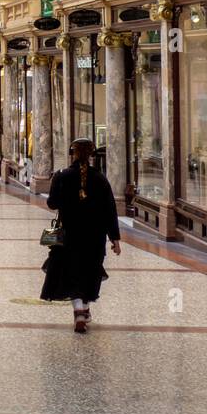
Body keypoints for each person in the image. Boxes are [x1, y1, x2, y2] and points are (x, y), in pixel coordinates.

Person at [41, 138, 121, 333]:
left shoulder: (61, 176)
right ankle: (84, 309)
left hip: (69, 235)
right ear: (92, 155)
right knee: (89, 271)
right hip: (95, 236)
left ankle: (79, 310)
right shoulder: (100, 179)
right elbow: (110, 210)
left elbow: (52, 203)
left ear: (72, 154)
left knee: (71, 271)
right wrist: (115, 240)